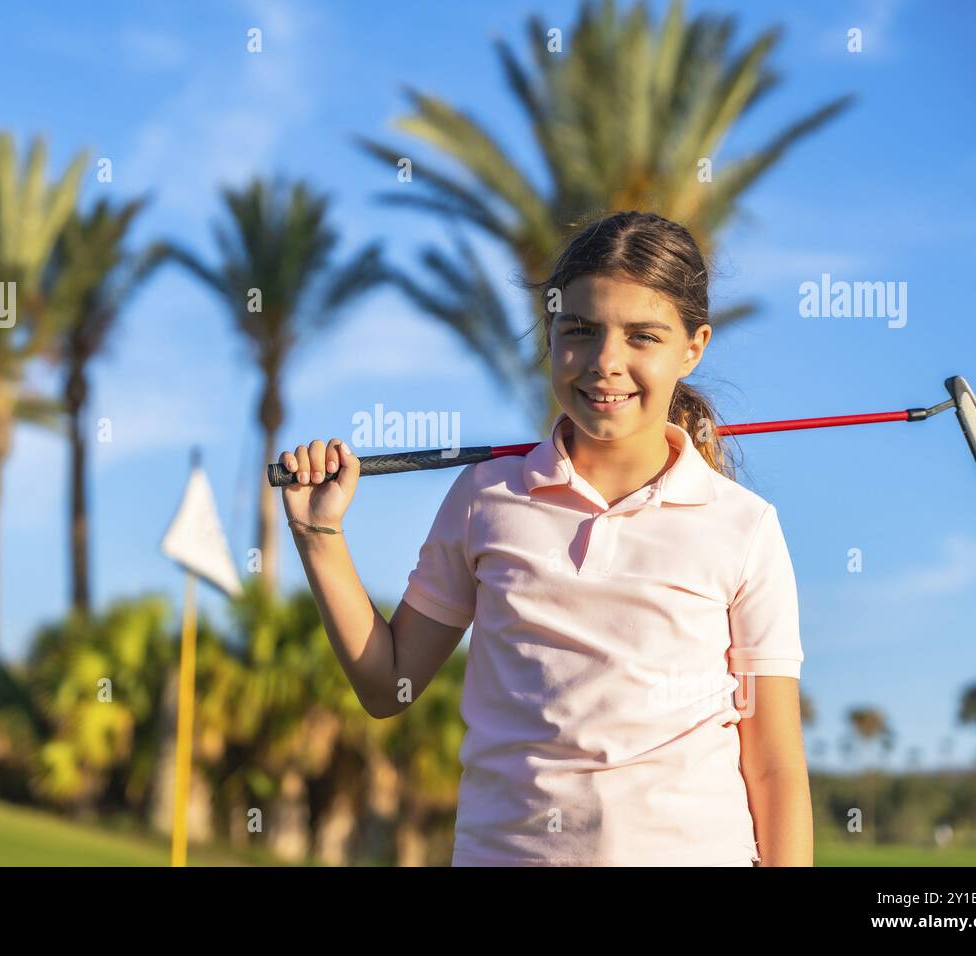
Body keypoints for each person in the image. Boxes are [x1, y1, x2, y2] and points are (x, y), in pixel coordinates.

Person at [280, 210, 811, 867]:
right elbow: (390, 687)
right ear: (551, 334)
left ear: (693, 347)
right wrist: (318, 531)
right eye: (579, 332)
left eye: (642, 337)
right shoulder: (487, 497)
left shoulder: (743, 525)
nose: (604, 363)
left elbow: (775, 765)